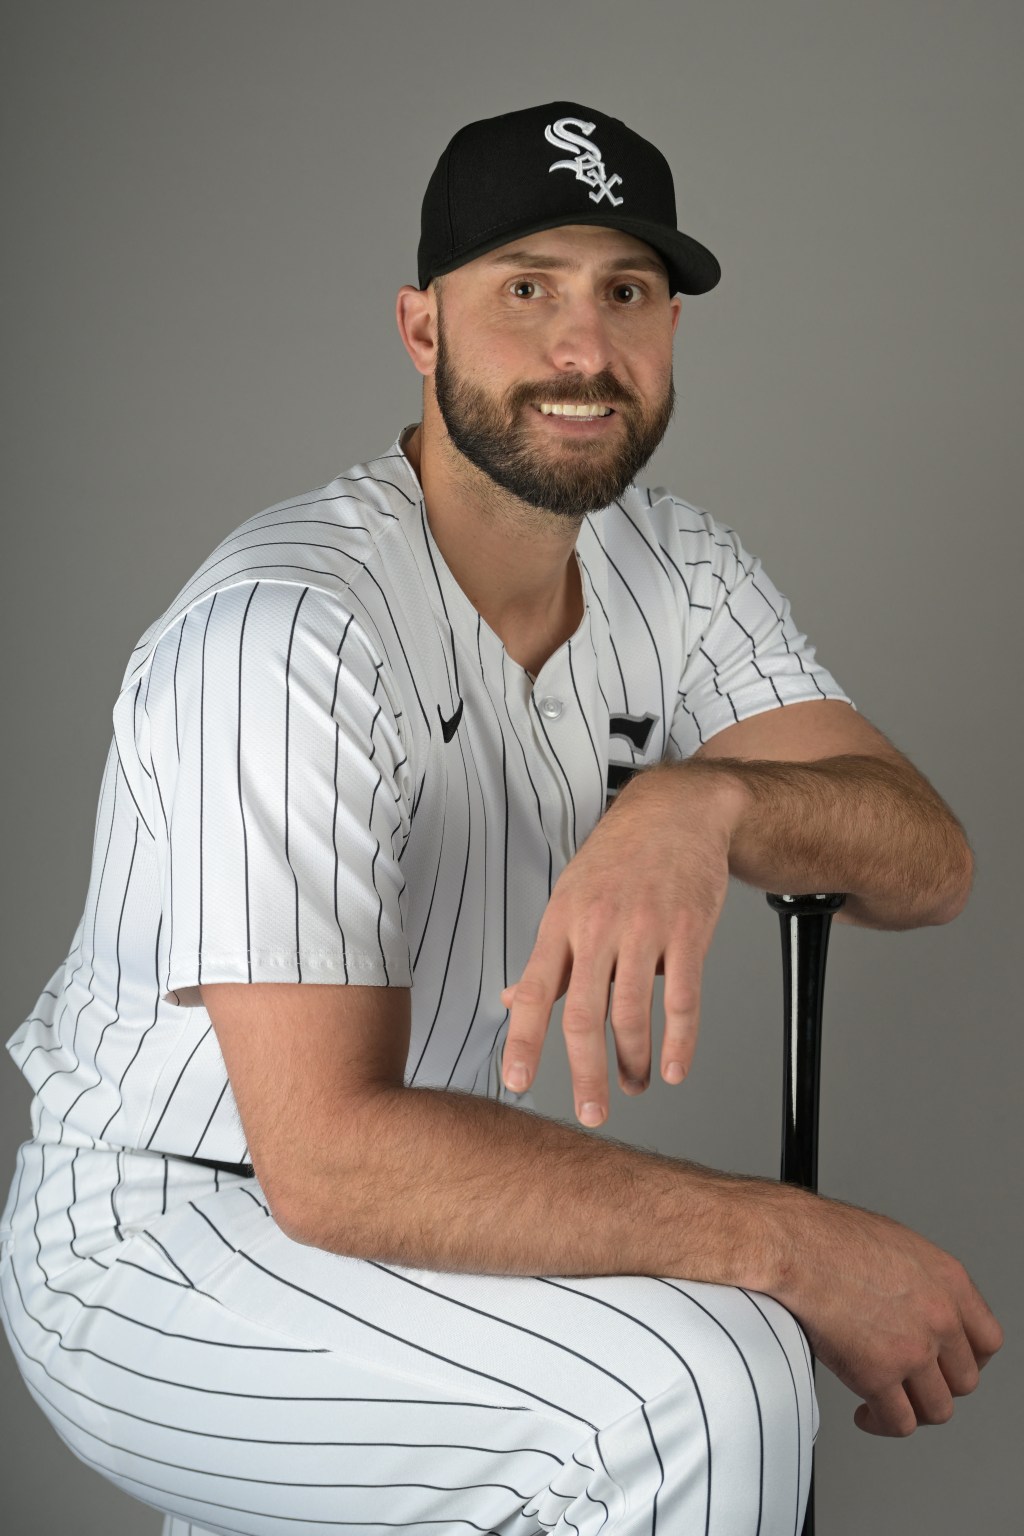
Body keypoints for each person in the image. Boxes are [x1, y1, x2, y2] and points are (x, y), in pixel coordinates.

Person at [0, 100, 1002, 1536]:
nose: (581, 350)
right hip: (161, 1244)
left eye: (627, 293)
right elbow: (330, 1157)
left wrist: (701, 799)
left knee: (703, 1363)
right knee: (706, 1384)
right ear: (422, 329)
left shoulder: (681, 570)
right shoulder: (286, 627)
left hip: (411, 1218)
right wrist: (789, 1244)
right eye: (525, 288)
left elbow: (926, 859)